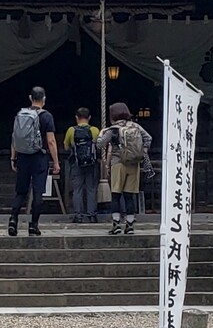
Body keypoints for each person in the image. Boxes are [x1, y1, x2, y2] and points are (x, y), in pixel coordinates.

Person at [8, 84, 59, 239]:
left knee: (20, 191)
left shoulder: (21, 114)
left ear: (30, 98)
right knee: (38, 192)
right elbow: (51, 141)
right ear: (44, 99)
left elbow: (15, 138)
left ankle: (13, 220)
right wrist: (56, 162)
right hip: (39, 157)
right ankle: (33, 225)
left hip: (23, 157)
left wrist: (13, 157)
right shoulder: (47, 116)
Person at [99, 101, 152, 237]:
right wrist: (142, 151)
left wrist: (101, 134)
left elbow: (100, 144)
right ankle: (130, 224)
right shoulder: (135, 126)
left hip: (118, 163)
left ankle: (116, 224)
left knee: (116, 195)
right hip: (134, 164)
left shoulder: (113, 129)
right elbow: (148, 138)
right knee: (129, 196)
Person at [63, 104, 100, 223]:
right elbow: (99, 146)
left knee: (77, 190)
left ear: (76, 117)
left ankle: (78, 215)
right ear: (89, 117)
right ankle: (92, 215)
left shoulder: (71, 130)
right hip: (91, 163)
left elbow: (66, 146)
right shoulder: (94, 130)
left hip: (76, 163)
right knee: (91, 189)